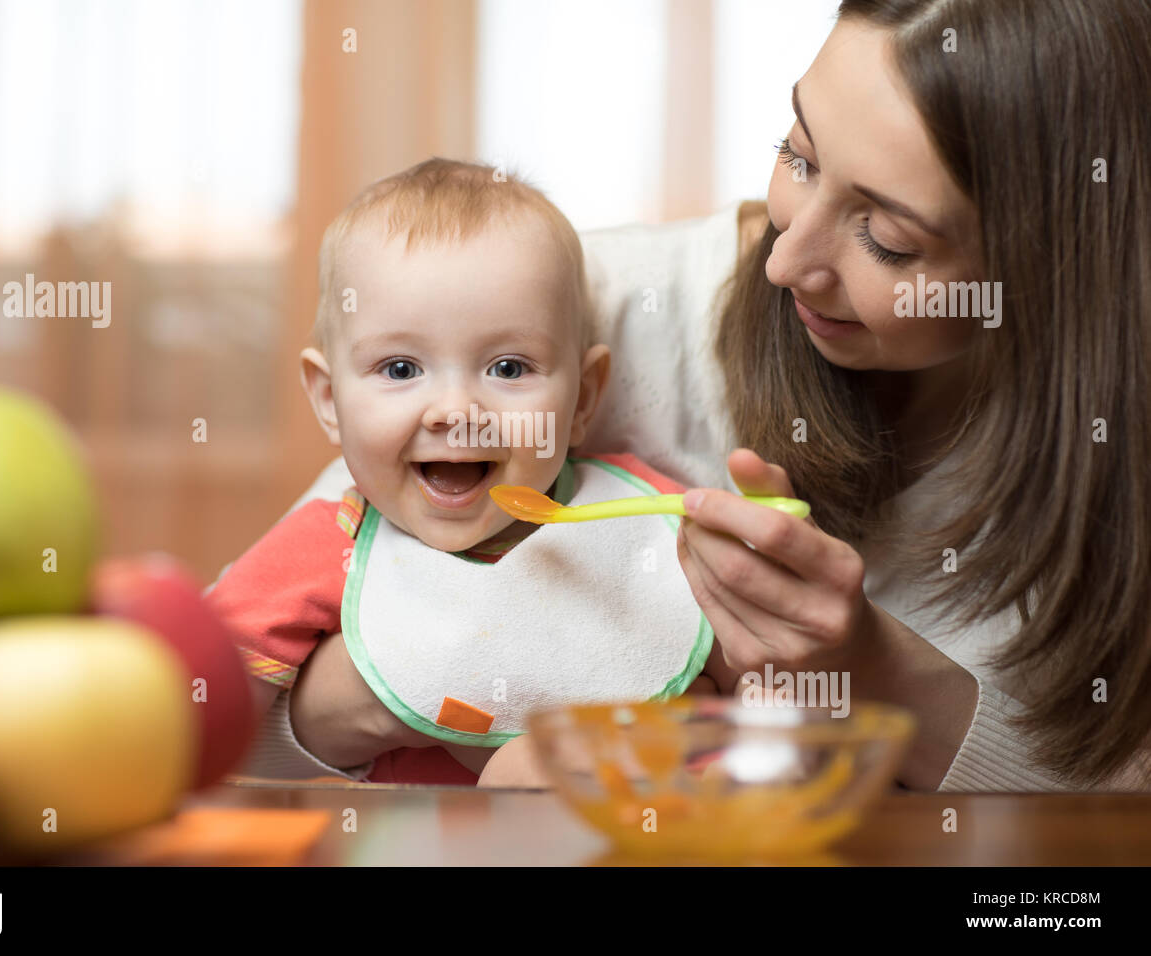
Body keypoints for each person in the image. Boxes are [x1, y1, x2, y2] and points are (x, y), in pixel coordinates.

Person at [243, 0, 1151, 792]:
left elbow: (1116, 801)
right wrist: (435, 684)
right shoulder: (546, 304)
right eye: (796, 155)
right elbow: (215, 724)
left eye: (885, 238)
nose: (783, 261)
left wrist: (881, 675)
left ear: (1048, 265)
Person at [206, 157, 717, 785]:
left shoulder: (644, 516)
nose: (455, 412)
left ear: (583, 399)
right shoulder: (328, 546)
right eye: (400, 369)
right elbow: (203, 722)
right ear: (330, 400)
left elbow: (754, 683)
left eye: (507, 369)